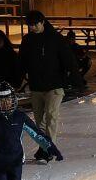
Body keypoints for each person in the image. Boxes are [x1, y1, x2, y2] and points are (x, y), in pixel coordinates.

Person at [18, 11, 78, 159]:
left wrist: (73, 78)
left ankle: (48, 148)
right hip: (37, 85)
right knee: (39, 121)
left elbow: (68, 59)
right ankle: (44, 147)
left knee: (51, 116)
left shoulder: (56, 39)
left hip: (55, 86)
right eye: (30, 25)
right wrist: (19, 78)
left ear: (43, 22)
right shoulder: (27, 40)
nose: (33, 28)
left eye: (35, 24)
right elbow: (22, 61)